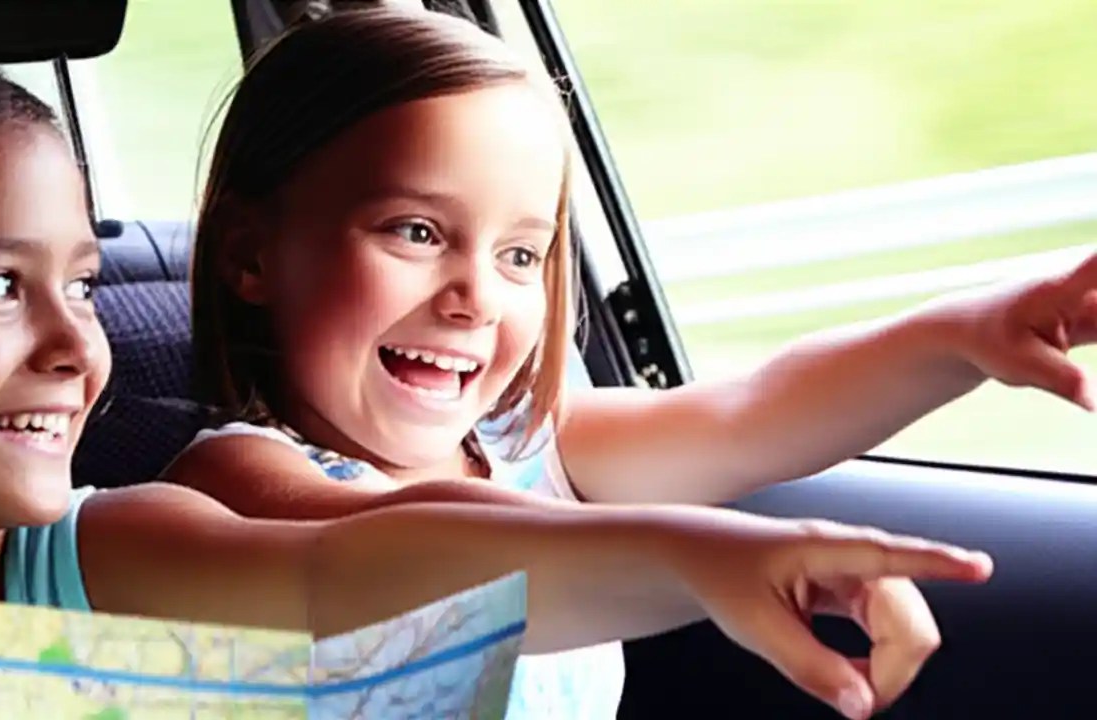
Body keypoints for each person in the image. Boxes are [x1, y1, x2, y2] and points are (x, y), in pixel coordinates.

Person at [0, 47, 995, 720]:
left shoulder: (103, 560)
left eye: (81, 284)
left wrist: (695, 553)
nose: (83, 350)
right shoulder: (232, 472)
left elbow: (359, 570)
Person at [166, 4, 1096, 719]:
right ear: (251, 256)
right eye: (416, 232)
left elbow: (754, 412)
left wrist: (958, 338)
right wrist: (692, 554)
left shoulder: (533, 446)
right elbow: (398, 551)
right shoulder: (236, 485)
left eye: (520, 255)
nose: (477, 296)